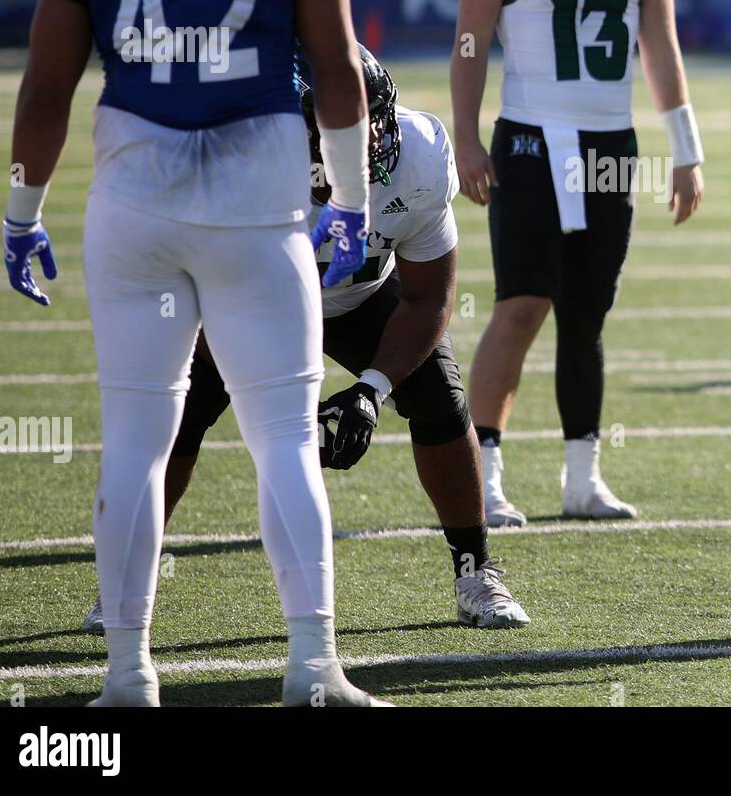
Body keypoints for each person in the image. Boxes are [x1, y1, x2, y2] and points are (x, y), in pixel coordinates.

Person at [5, 0, 383, 706]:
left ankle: (128, 673)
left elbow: (46, 89)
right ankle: (312, 666)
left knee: (135, 439)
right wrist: (347, 198)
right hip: (255, 200)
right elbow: (338, 63)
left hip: (136, 200)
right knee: (284, 438)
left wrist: (20, 211)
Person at [80, 46, 529, 632]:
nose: (364, 140)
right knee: (178, 414)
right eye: (339, 125)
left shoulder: (419, 157)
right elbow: (210, 295)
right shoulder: (246, 166)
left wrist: (371, 387)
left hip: (362, 299)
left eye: (371, 118)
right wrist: (273, 403)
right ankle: (126, 584)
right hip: (242, 302)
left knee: (440, 400)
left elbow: (428, 300)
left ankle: (475, 572)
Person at [451, 0, 704, 527]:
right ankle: (485, 476)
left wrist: (685, 149)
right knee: (521, 305)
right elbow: (470, 39)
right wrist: (466, 136)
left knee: (586, 316)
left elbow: (659, 42)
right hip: (528, 140)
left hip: (609, 145)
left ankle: (580, 479)